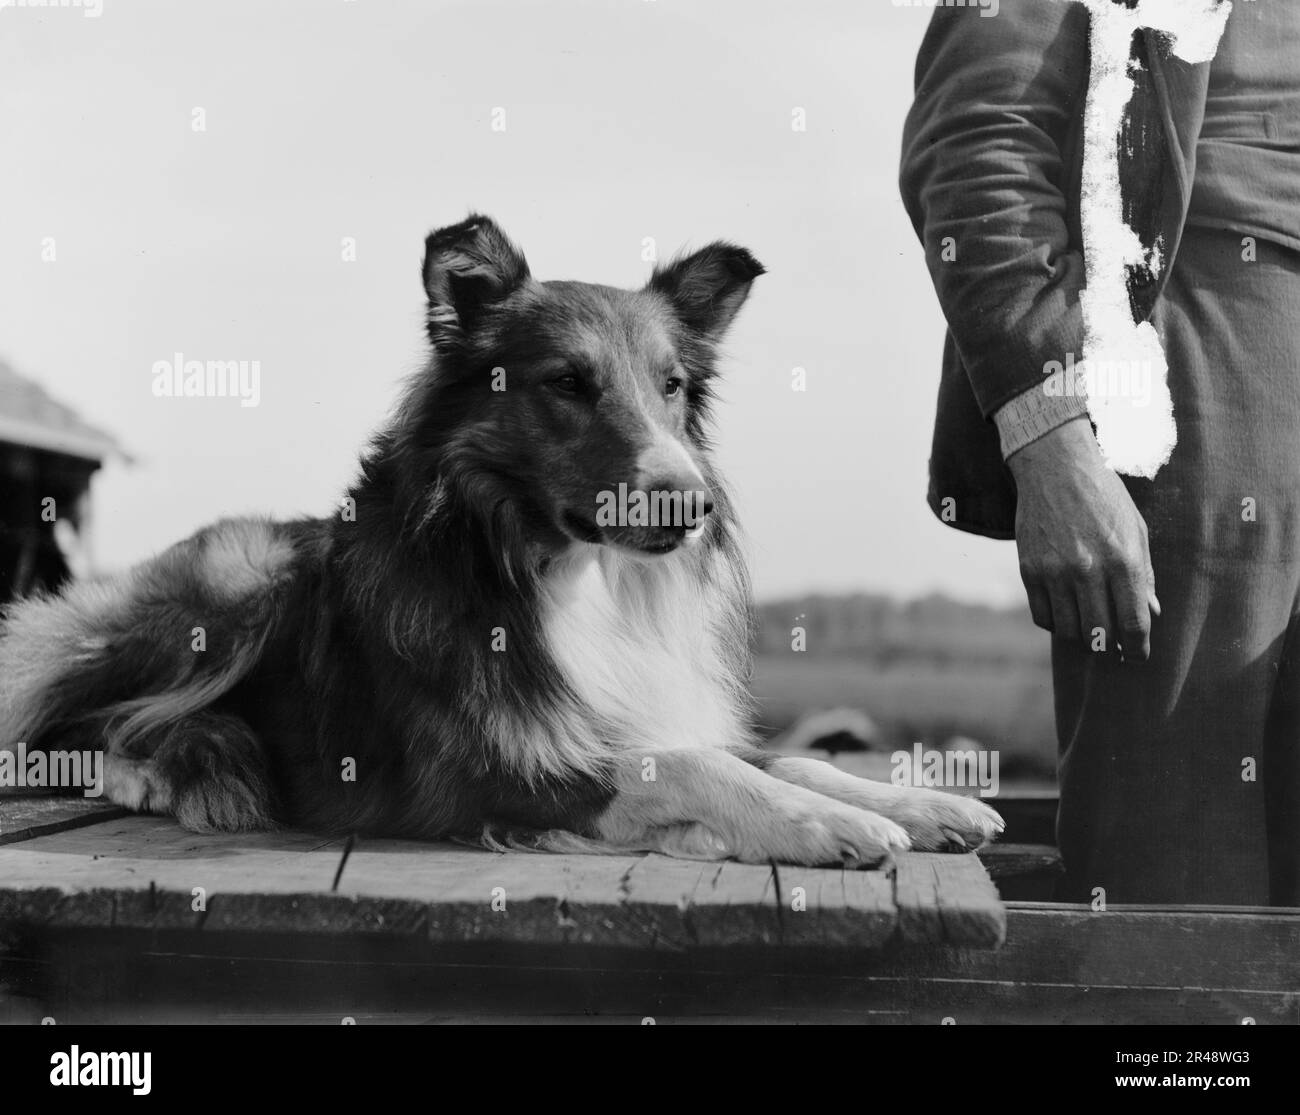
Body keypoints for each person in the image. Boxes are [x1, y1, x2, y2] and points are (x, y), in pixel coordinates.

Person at [900, 0, 1300, 905]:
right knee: (1183, 887)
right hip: (1195, 383)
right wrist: (1049, 440)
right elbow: (979, 140)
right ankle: (1174, 1060)